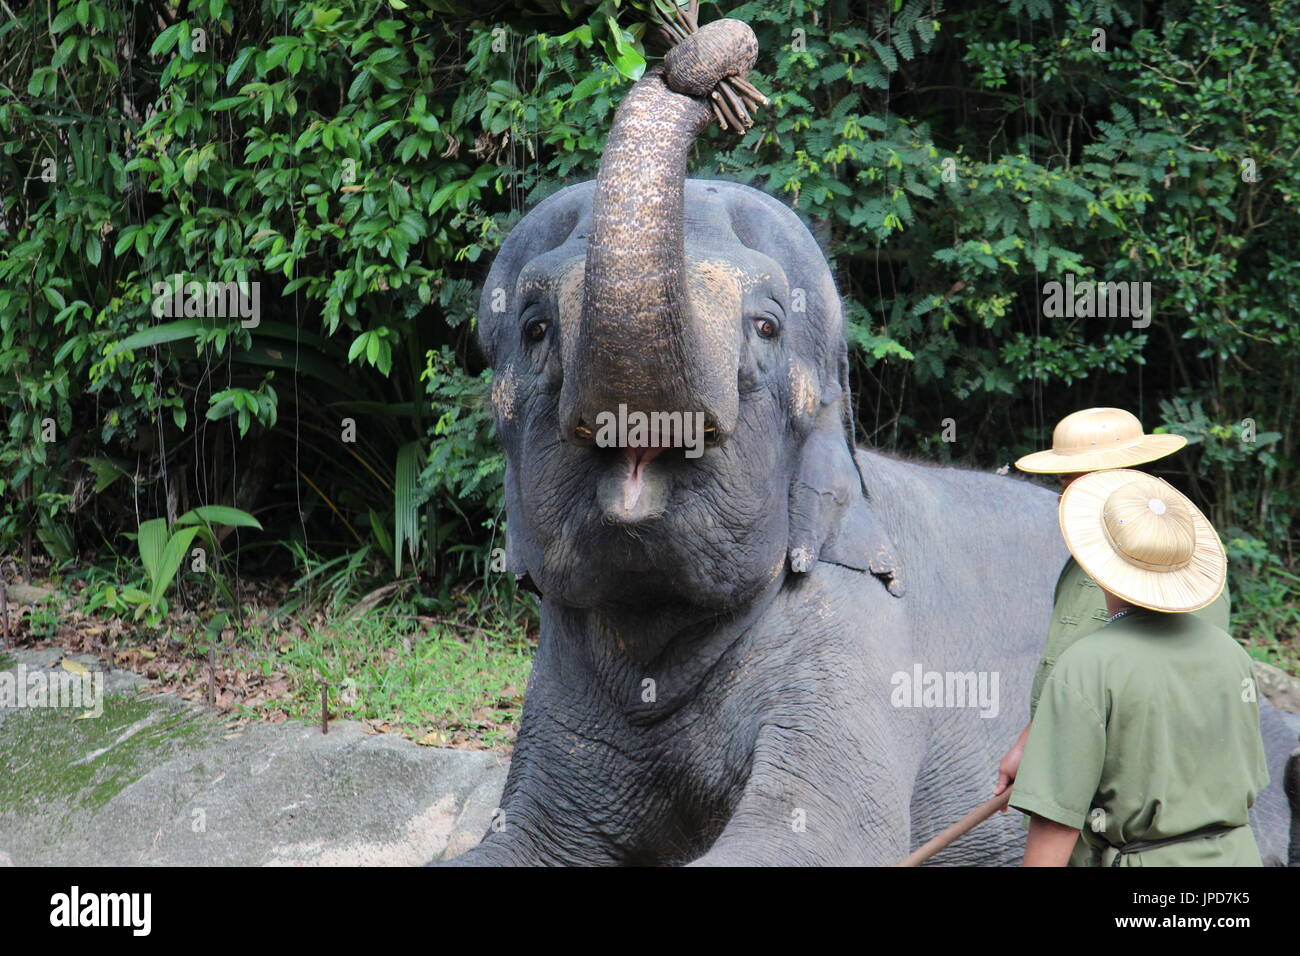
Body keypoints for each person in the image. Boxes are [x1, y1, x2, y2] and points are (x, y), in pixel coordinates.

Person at [993, 407, 1231, 866]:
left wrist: (1064, 776)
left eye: (1073, 481)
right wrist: (1032, 744)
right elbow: (1072, 680)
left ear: (1116, 478)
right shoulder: (1085, 559)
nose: (1062, 496)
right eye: (1062, 482)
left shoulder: (1177, 565)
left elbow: (1176, 703)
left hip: (1134, 815)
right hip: (1072, 796)